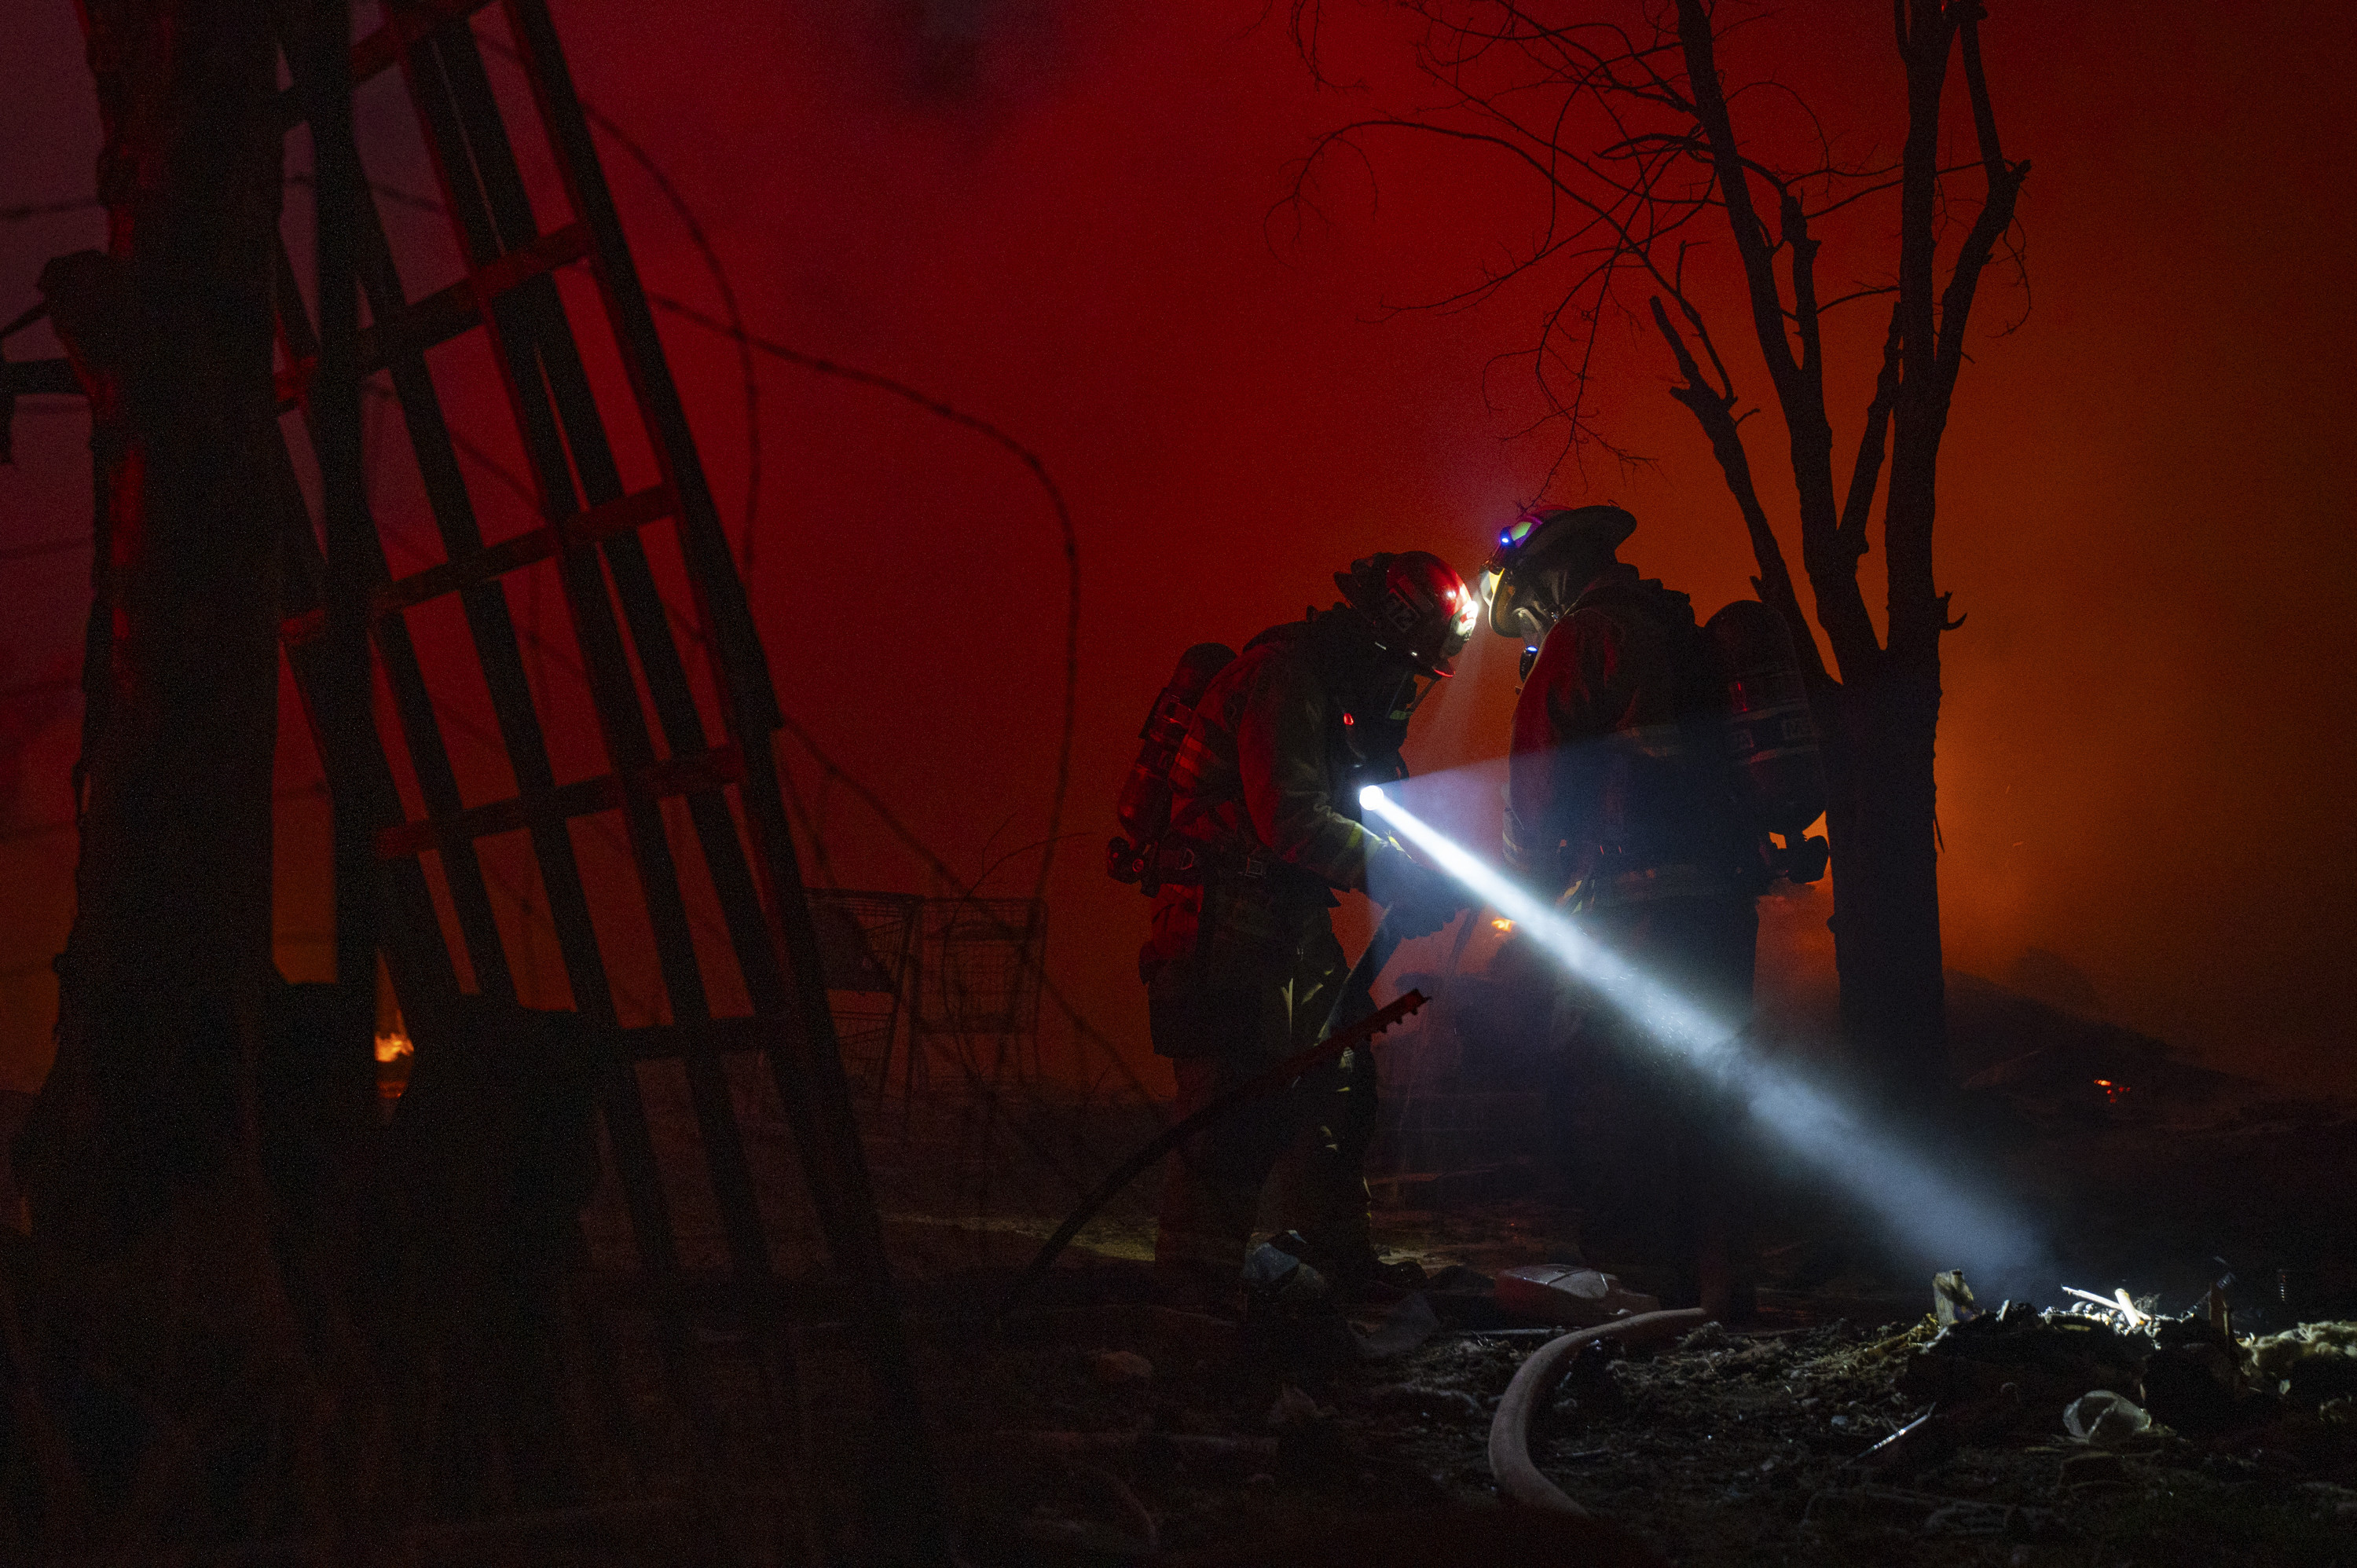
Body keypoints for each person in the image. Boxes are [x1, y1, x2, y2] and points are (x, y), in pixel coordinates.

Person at [1142, 551, 1474, 1305]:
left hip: (1284, 917)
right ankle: (1197, 1292)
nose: (1408, 690)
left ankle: (1337, 1263)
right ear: (1378, 636)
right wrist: (1396, 875)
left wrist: (1413, 870)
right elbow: (1289, 817)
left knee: (1338, 1081)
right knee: (1232, 1107)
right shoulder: (1284, 678)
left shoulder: (1334, 692)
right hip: (1220, 920)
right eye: (1408, 667)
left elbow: (1347, 813)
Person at [1477, 504, 1761, 1315]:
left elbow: (1535, 793)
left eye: (1529, 600)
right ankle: (1718, 1284)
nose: (1531, 620)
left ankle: (1636, 1290)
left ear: (1555, 573)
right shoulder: (1684, 631)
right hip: (1719, 907)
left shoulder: (1585, 635)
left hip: (1629, 910)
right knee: (1704, 1092)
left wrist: (1526, 903)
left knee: (1604, 1093)